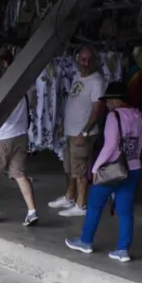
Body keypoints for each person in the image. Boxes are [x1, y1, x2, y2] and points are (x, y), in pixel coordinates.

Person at [64, 82, 142, 263]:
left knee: (94, 205)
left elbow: (109, 147)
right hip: (133, 168)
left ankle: (85, 241)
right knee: (125, 211)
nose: (106, 104)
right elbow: (140, 145)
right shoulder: (137, 115)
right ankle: (123, 250)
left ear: (116, 100)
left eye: (108, 100)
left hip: (112, 170)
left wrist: (94, 168)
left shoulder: (113, 117)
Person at [49, 46, 106, 218]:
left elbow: (98, 109)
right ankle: (69, 197)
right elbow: (72, 103)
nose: (86, 63)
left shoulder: (97, 81)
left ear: (94, 61)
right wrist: (62, 125)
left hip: (83, 133)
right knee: (69, 168)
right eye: (83, 59)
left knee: (80, 171)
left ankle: (81, 205)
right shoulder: (77, 75)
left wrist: (85, 132)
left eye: (89, 60)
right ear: (77, 59)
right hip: (70, 131)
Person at [0, 54, 38, 226]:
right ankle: (32, 211)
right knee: (19, 174)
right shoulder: (25, 87)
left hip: (2, 136)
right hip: (21, 135)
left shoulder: (3, 88)